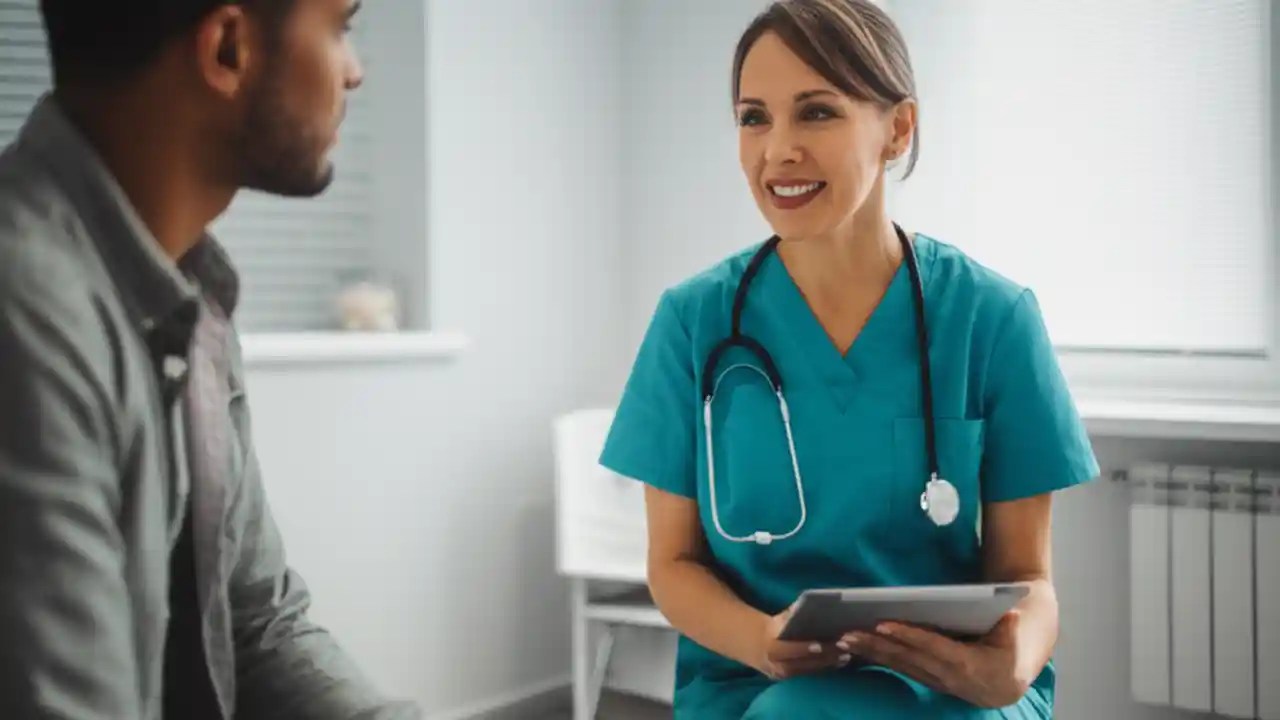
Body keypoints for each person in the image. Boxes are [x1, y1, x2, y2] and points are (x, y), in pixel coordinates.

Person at [599, 0, 1100, 717]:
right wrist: (761, 639)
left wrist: (1012, 669)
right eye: (753, 117)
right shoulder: (694, 322)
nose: (778, 150)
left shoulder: (991, 318)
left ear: (897, 129)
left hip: (951, 684)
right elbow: (672, 565)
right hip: (757, 681)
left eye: (817, 112)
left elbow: (1029, 578)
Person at [0, 1, 420, 718]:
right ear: (228, 48)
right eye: (340, 27)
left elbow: (254, 622)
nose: (354, 72)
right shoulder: (27, 313)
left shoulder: (192, 296)